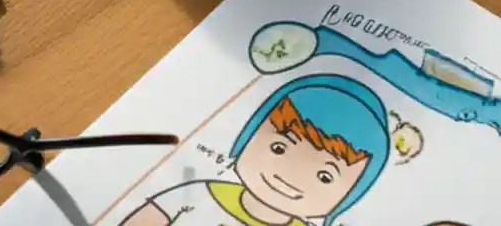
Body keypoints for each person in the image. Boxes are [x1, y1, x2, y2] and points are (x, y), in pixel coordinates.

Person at [120, 74, 390, 226]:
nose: (289, 174)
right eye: (279, 147)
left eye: (325, 177)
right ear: (248, 138)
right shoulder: (196, 195)